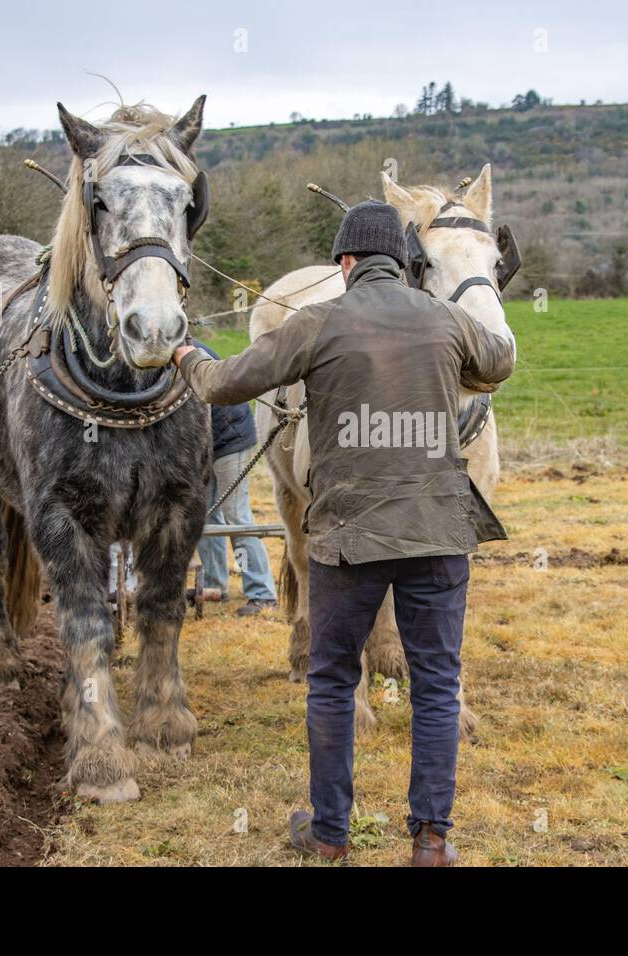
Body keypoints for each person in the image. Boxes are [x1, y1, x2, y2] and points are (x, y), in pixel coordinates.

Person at [174, 200, 514, 866]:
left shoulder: (317, 323)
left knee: (332, 681)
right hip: (439, 531)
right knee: (438, 685)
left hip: (345, 537)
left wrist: (186, 353)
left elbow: (221, 385)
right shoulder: (447, 320)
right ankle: (432, 840)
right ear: (409, 263)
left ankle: (330, 834)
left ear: (346, 263)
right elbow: (498, 363)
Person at [194, 342, 278, 617]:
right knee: (204, 516)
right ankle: (216, 586)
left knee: (236, 517)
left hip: (230, 441)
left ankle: (262, 593)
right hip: (203, 445)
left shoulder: (191, 355)